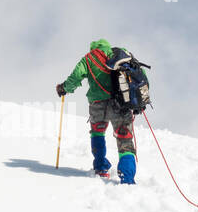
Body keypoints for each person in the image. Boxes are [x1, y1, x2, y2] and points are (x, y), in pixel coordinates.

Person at [56, 39, 138, 184]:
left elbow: (75, 77)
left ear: (93, 48)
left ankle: (101, 168)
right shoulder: (120, 55)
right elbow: (137, 73)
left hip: (97, 104)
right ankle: (127, 177)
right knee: (125, 139)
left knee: (97, 133)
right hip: (120, 104)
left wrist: (64, 88)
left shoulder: (88, 59)